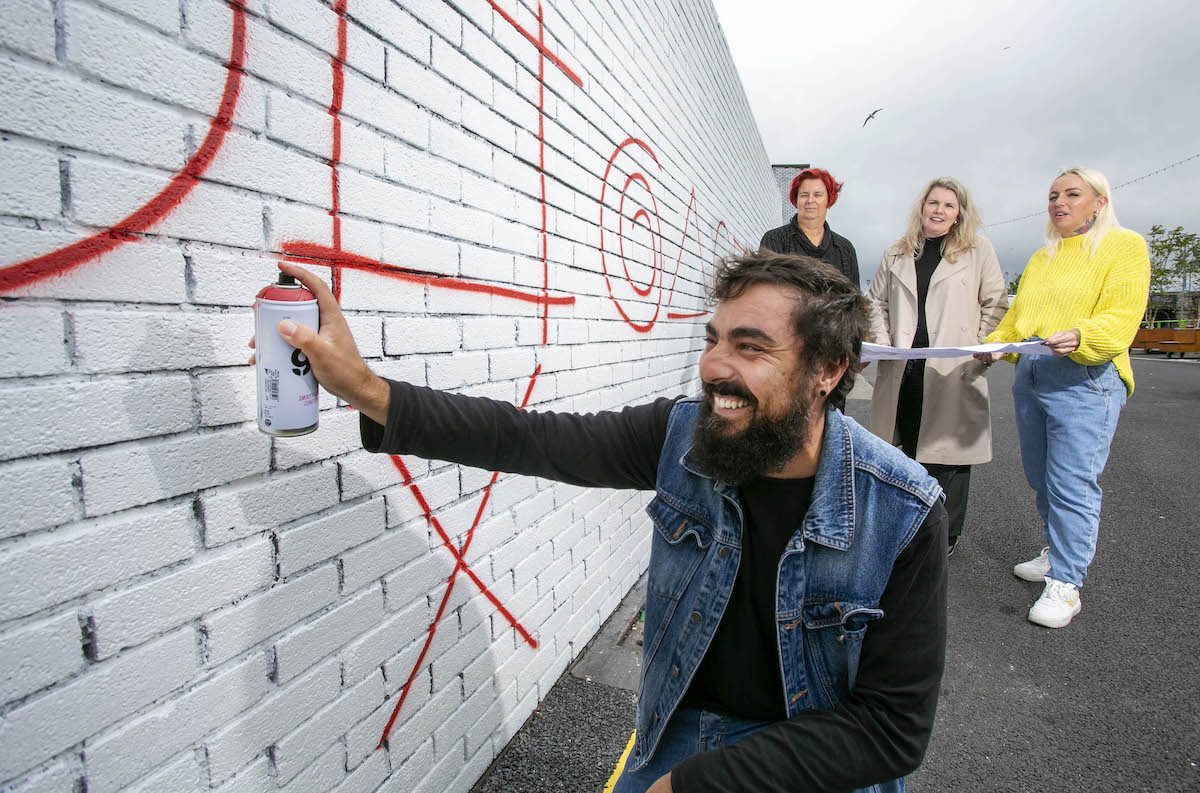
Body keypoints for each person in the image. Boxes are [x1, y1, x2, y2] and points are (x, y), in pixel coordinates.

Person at [253, 252, 948, 793]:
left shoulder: (904, 510)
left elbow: (889, 731)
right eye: (713, 340)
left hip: (816, 760)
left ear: (828, 369)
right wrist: (368, 391)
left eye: (750, 347)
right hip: (685, 733)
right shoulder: (683, 436)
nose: (713, 366)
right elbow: (530, 437)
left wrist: (697, 784)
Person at [976, 167, 1149, 629]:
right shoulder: (1042, 256)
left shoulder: (1124, 246)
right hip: (1032, 374)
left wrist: (1082, 334)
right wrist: (995, 344)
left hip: (1086, 376)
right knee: (1040, 476)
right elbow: (1020, 318)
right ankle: (1055, 552)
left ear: (1099, 202)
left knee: (1072, 482)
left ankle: (1068, 584)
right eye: (1054, 195)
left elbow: (1123, 314)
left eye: (1073, 194)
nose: (1060, 202)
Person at [867, 177, 1008, 555]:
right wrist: (883, 343)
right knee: (906, 446)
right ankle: (907, 528)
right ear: (922, 206)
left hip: (953, 367)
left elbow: (996, 302)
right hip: (904, 367)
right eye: (933, 203)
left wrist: (979, 346)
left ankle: (944, 536)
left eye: (948, 205)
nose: (939, 210)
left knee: (949, 457)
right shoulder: (896, 252)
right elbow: (875, 302)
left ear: (959, 212)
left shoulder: (978, 250)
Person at [760, 167, 860, 288]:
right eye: (804, 195)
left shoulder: (845, 248)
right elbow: (767, 292)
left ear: (829, 199)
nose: (810, 200)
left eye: (818, 195)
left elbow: (854, 299)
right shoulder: (774, 239)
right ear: (796, 200)